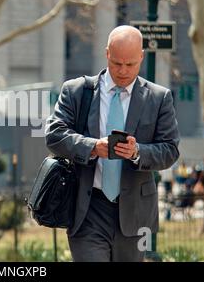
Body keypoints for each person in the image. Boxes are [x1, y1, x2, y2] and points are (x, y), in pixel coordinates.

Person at [45, 25, 179, 262]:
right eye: (117, 63)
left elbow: (170, 150)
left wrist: (137, 152)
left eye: (130, 64)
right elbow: (54, 134)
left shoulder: (159, 98)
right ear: (107, 53)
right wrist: (93, 146)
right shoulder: (77, 91)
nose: (123, 71)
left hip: (135, 212)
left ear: (141, 57)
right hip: (88, 208)